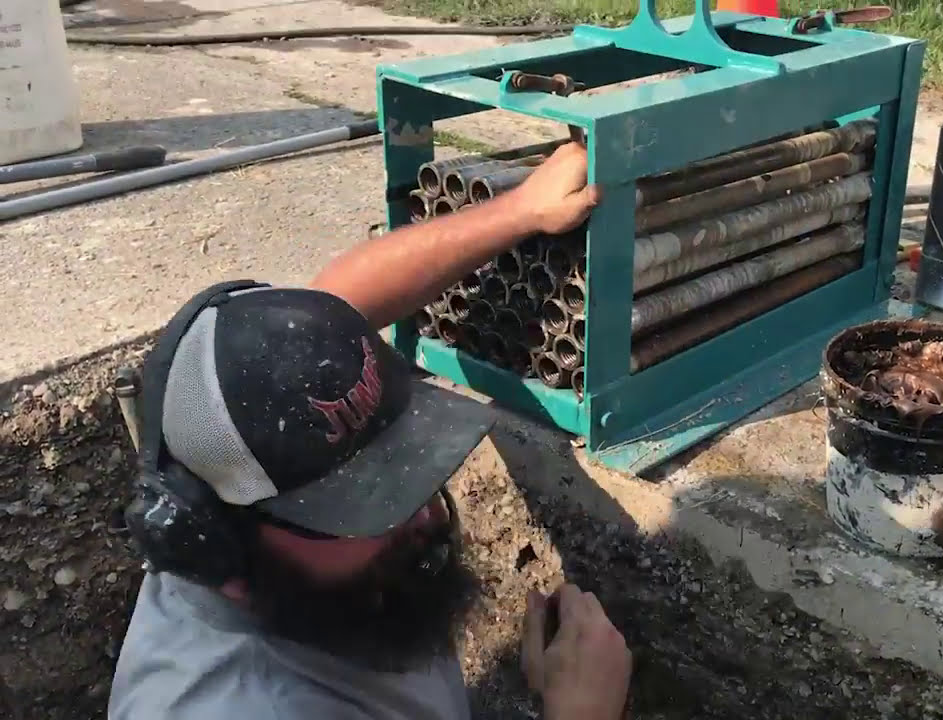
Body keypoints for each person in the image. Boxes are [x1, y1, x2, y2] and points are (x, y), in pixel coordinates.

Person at [106, 141, 632, 720]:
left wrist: (523, 210)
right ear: (221, 555)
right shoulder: (238, 706)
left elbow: (342, 298)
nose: (427, 514)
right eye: (361, 506)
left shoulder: (316, 577)